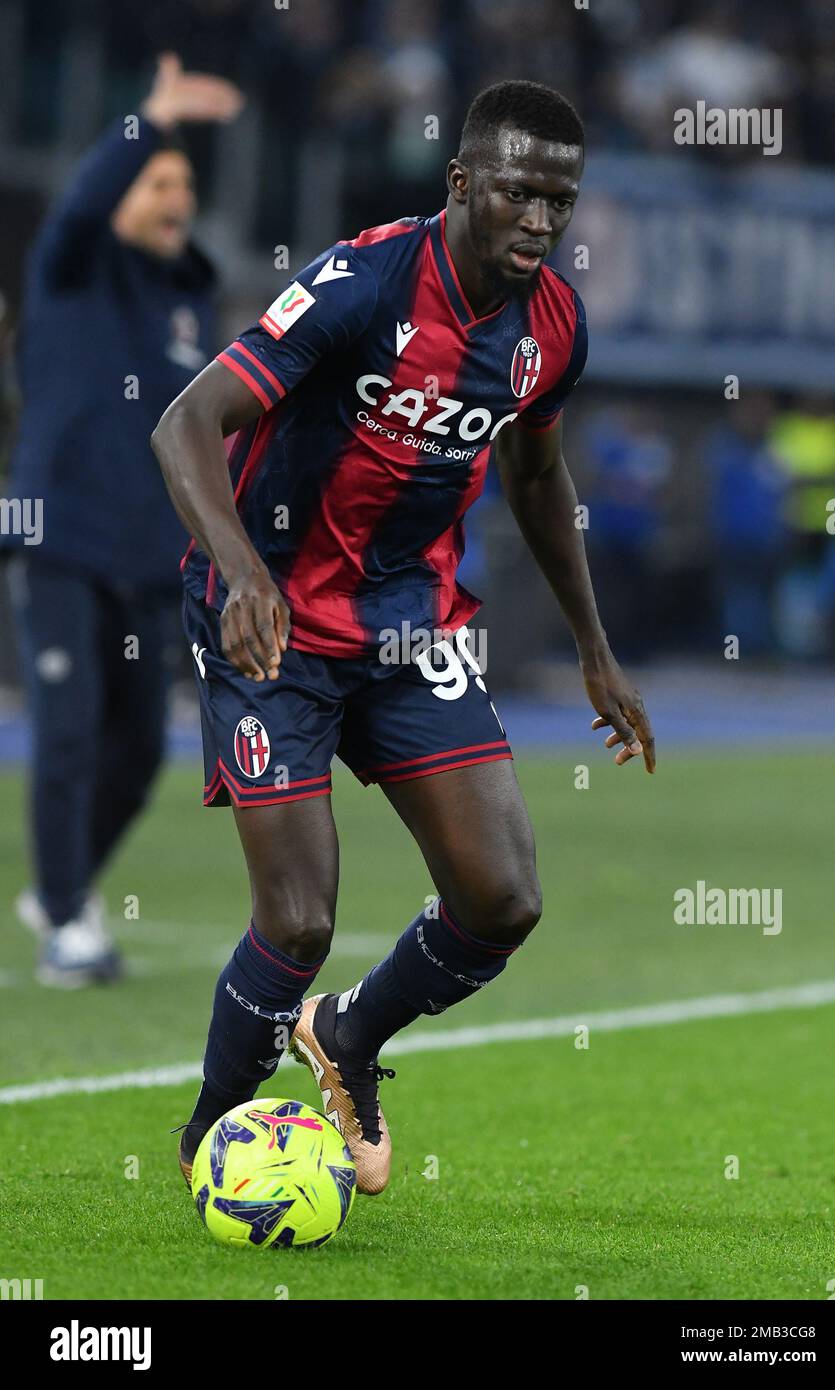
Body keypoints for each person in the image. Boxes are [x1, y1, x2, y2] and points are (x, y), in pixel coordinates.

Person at [152, 80, 655, 1195]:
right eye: (519, 194)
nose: (539, 221)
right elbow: (183, 422)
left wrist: (592, 645)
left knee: (503, 899)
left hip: (406, 628)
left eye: (558, 202)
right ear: (462, 182)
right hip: (270, 620)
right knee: (295, 919)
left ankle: (349, 1037)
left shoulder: (550, 329)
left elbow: (532, 473)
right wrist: (239, 568)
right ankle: (212, 1141)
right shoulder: (361, 280)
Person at [4, 54, 243, 986]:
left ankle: (65, 889)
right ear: (117, 192)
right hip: (60, 538)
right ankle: (67, 920)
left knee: (140, 751)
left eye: (186, 180)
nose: (176, 195)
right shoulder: (69, 266)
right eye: (156, 180)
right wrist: (146, 120)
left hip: (152, 556)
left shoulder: (189, 303)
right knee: (67, 734)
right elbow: (76, 205)